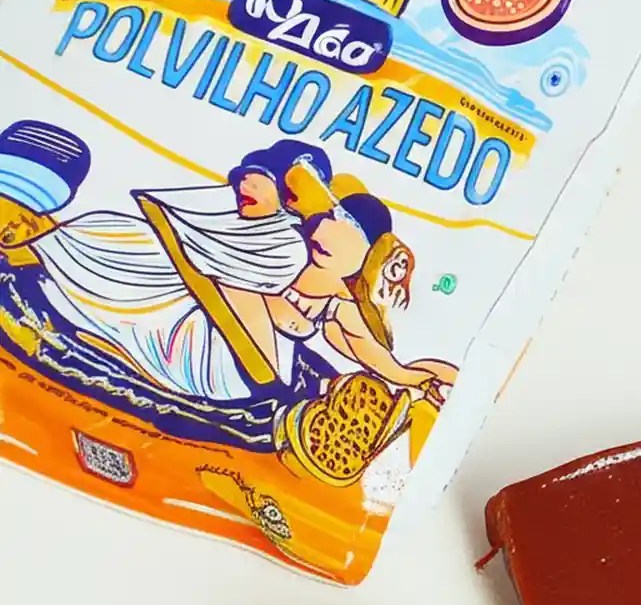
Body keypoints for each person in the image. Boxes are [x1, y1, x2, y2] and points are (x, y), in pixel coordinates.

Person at [0, 122, 450, 405]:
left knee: (204, 268)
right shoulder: (284, 250)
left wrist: (420, 376)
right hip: (206, 331)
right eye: (321, 216)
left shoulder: (330, 298)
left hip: (232, 367)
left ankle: (46, 247)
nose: (321, 228)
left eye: (336, 221)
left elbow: (379, 360)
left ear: (367, 248)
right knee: (126, 238)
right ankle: (48, 249)